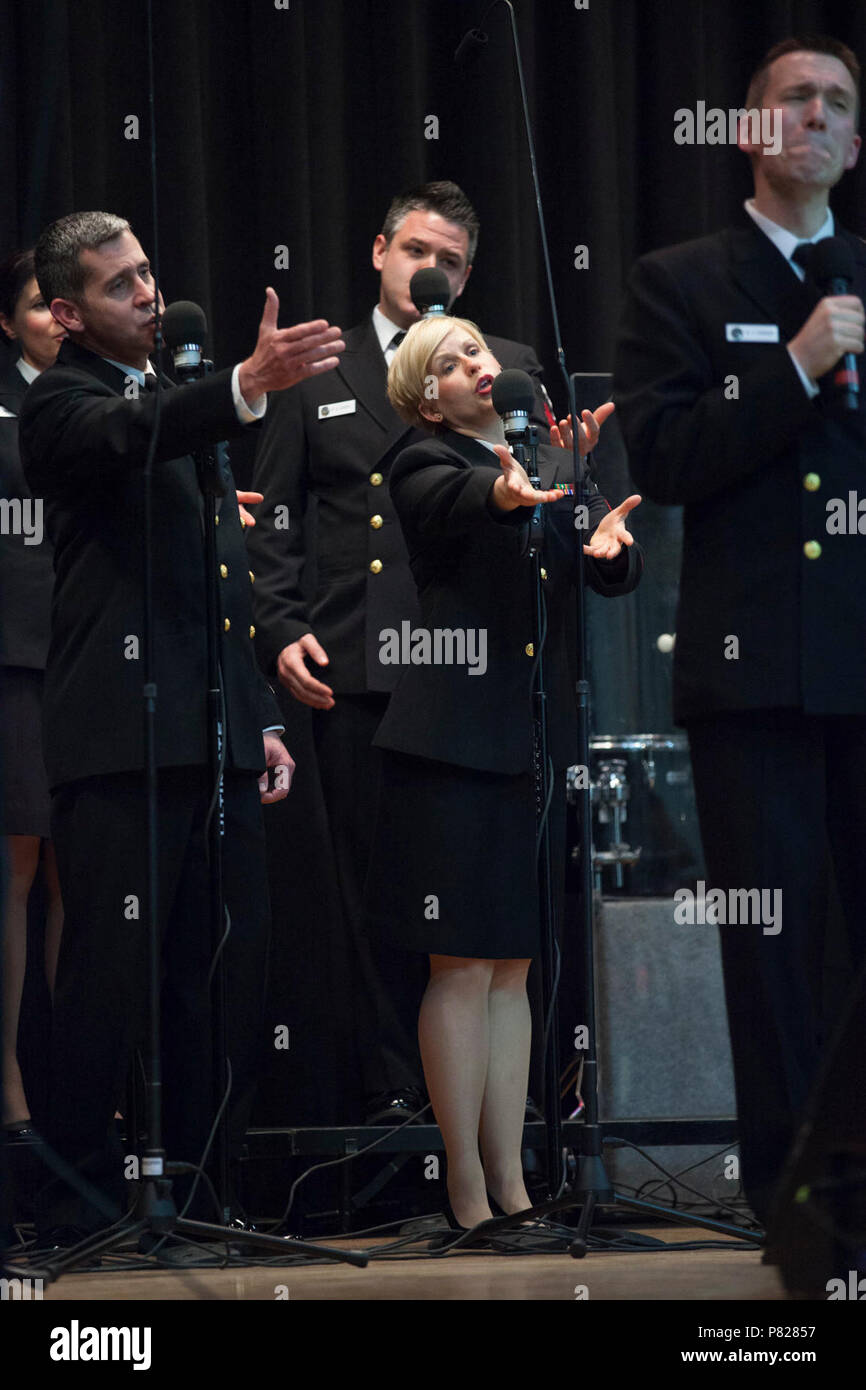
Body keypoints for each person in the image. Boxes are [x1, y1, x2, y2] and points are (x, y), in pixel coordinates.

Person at [19, 210, 344, 1243]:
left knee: (224, 973)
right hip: (120, 740)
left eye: (150, 273)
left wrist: (263, 722)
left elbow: (224, 584)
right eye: (121, 285)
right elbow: (122, 437)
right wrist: (245, 386)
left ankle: (204, 1192)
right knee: (108, 980)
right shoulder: (62, 402)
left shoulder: (170, 402)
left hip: (216, 738)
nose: (150, 294)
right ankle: (73, 1207)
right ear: (66, 312)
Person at [613, 36, 866, 1226]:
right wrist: (795, 370)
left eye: (834, 106)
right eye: (790, 101)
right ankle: (789, 1198)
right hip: (748, 667)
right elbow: (661, 461)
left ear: (852, 143)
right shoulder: (680, 282)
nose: (812, 119)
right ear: (744, 132)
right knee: (766, 950)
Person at [247, 181, 553, 1124]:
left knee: (478, 913)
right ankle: (391, 1108)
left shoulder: (507, 366)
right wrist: (278, 623)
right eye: (419, 250)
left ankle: (482, 1123)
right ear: (379, 253)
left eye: (453, 261)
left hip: (472, 675)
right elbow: (272, 516)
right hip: (354, 665)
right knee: (373, 897)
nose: (434, 272)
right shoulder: (317, 366)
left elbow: (535, 504)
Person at [363, 315, 642, 1235]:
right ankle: (466, 1190)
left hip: (534, 747)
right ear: (424, 395)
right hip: (451, 746)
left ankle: (515, 1180)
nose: (477, 367)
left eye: (479, 350)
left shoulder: (546, 462)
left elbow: (603, 572)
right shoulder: (422, 462)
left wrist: (602, 530)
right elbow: (472, 504)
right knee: (463, 965)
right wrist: (521, 495)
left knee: (514, 970)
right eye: (451, 362)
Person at [0, 250, 66, 1135]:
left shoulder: (126, 395)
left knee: (88, 875)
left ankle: (77, 1079)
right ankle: (8, 1080)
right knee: (16, 867)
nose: (54, 318)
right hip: (15, 658)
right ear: (9, 323)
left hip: (98, 657)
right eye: (35, 307)